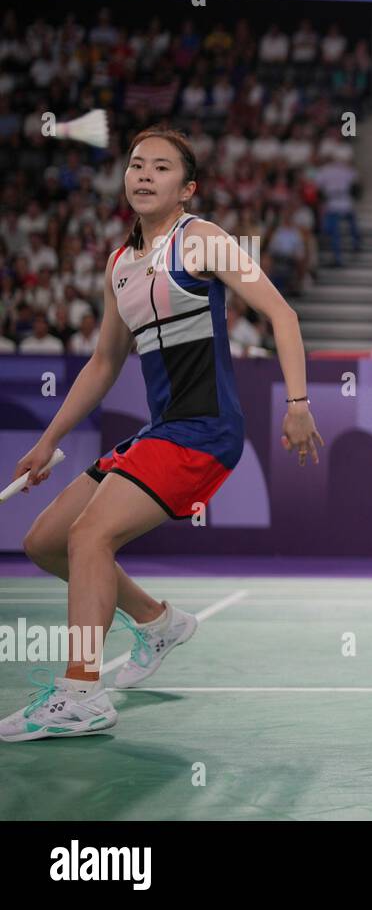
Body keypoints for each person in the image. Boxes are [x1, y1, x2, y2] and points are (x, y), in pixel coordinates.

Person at [1, 126, 324, 742]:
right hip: (160, 430)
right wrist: (49, 440)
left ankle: (81, 694)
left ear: (187, 188)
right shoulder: (120, 266)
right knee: (44, 540)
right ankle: (154, 621)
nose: (144, 174)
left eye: (161, 167)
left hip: (205, 431)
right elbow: (103, 363)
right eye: (136, 164)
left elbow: (281, 312)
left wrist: (299, 401)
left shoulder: (201, 240)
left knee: (89, 534)